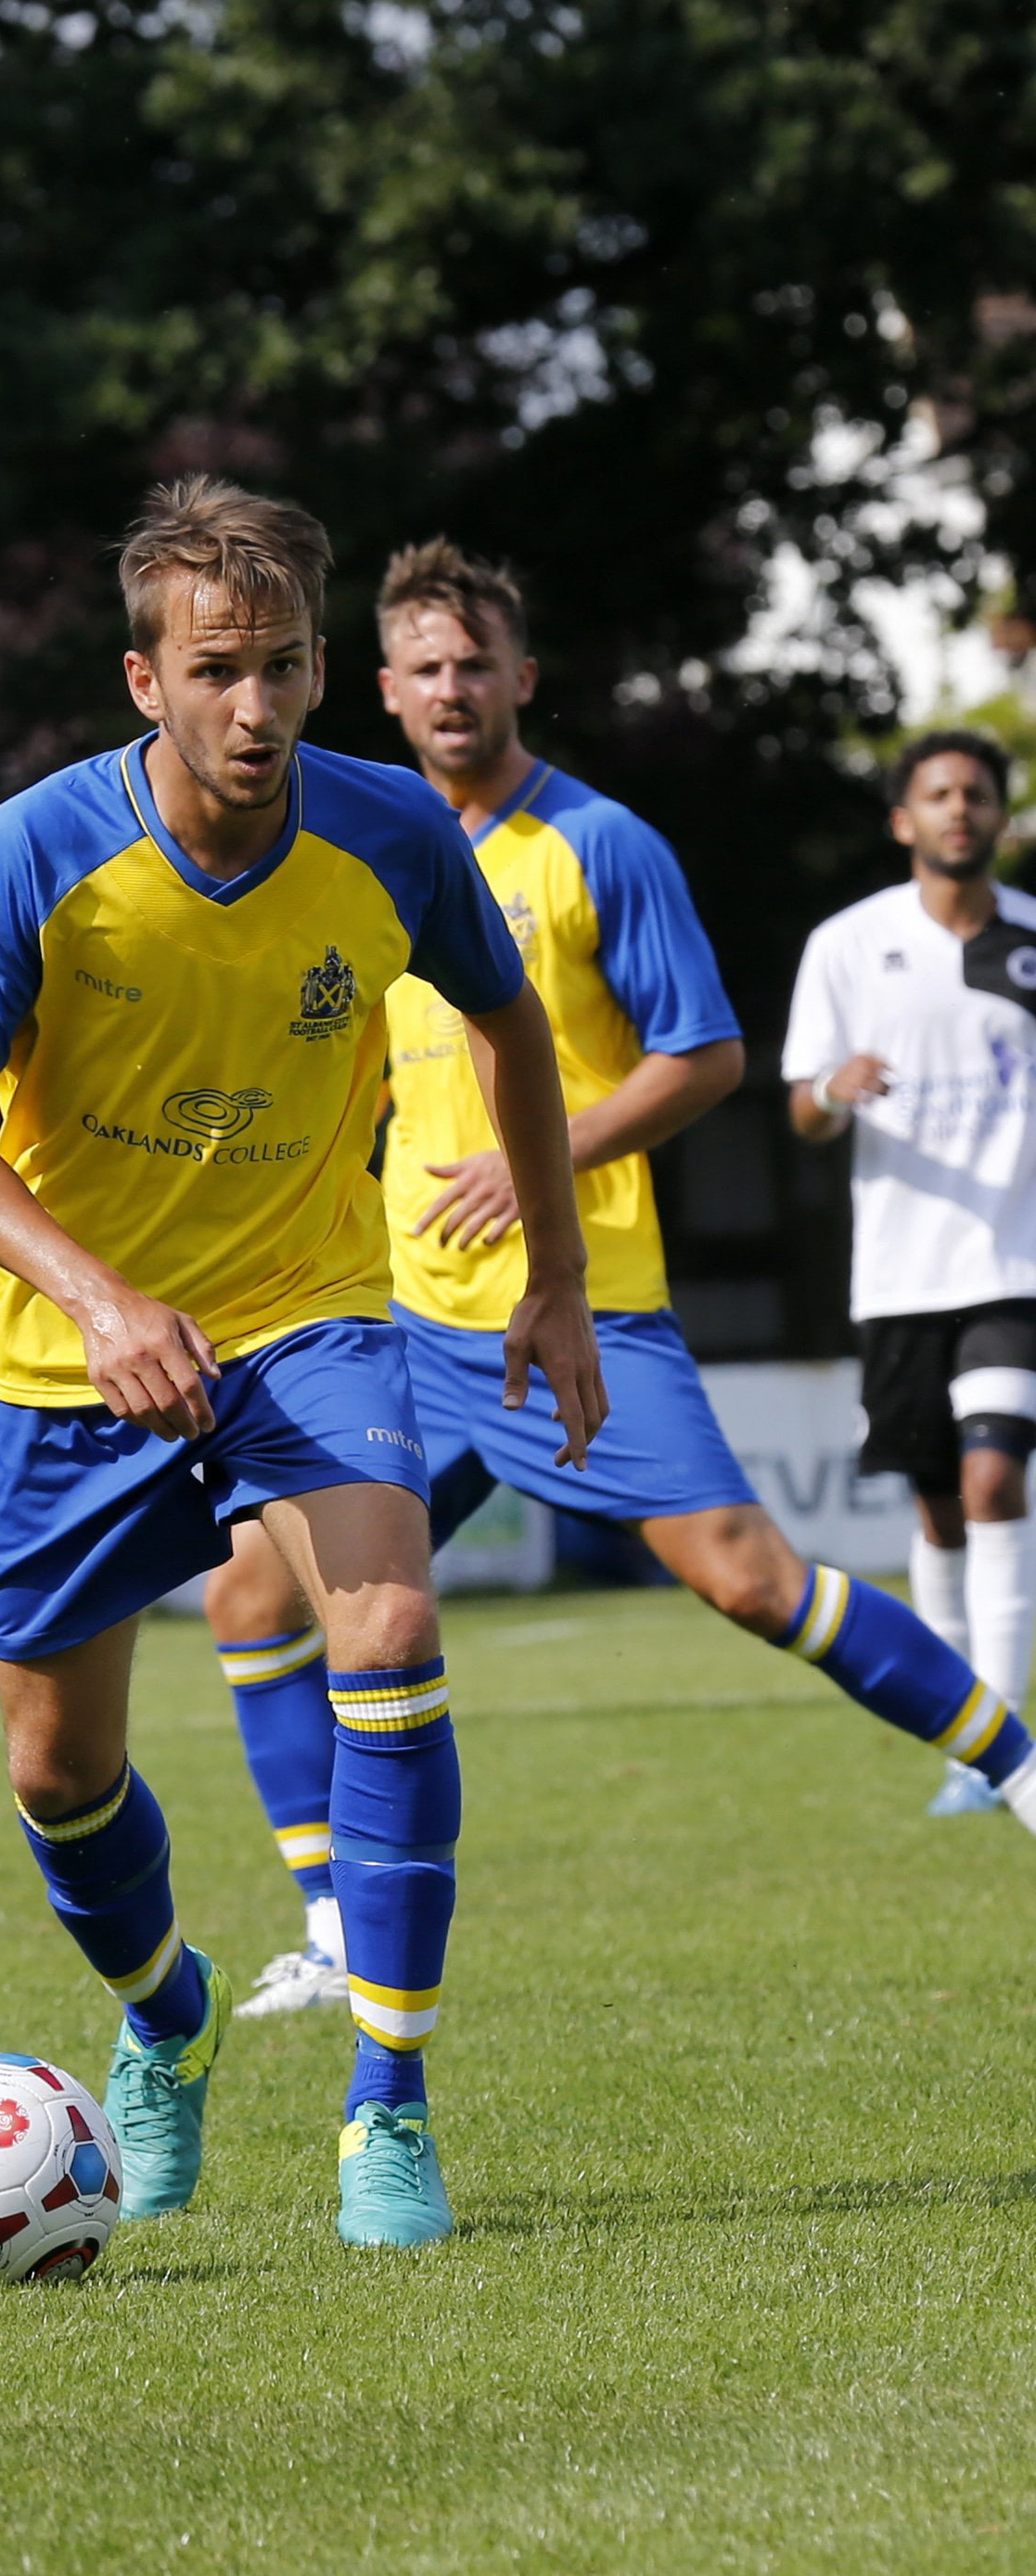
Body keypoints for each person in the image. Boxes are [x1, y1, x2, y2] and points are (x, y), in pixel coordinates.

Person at [0, 476, 604, 2248]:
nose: (258, 706)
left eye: (284, 666)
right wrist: (102, 1297)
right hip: (80, 1360)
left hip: (306, 1310)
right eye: (219, 670)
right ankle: (170, 2014)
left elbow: (508, 1014)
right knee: (56, 1774)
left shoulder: (389, 839)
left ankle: (389, 2105)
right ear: (145, 680)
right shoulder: (26, 860)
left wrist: (559, 1274)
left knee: (391, 1624)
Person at [203, 542, 1036, 2016]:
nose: (454, 689)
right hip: (395, 1319)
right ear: (380, 691)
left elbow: (708, 1054)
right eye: (426, 667)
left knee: (750, 1579)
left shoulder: (602, 844)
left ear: (524, 679)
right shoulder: (355, 847)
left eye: (479, 664)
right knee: (253, 1597)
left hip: (574, 1309)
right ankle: (331, 1934)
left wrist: (545, 1162)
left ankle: (1017, 1763)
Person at [785, 729, 1036, 1817]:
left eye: (977, 794)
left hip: (1013, 1264)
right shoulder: (848, 944)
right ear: (904, 819)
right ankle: (964, 1738)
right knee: (937, 1508)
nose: (959, 809)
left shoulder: (1033, 942)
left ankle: (1006, 1748)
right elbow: (800, 1110)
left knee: (993, 1480)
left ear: (1001, 816)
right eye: (938, 794)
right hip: (898, 1277)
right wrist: (835, 1089)